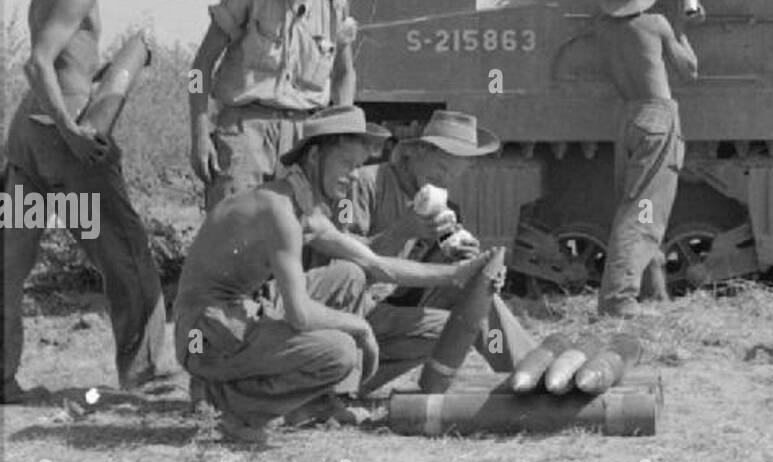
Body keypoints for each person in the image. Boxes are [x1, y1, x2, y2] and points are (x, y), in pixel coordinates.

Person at [175, 106, 521, 443]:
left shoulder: (302, 209)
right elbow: (300, 313)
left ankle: (317, 399)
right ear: (313, 158)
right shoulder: (279, 211)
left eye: (358, 165)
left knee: (349, 277)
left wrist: (457, 272)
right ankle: (235, 407)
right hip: (209, 331)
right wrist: (360, 328)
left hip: (243, 312)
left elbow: (375, 264)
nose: (354, 174)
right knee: (339, 350)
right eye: (346, 163)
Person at [3, 0, 168, 402]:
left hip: (26, 145)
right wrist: (75, 131)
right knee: (128, 257)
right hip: (67, 146)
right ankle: (144, 377)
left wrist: (112, 70)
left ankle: (4, 379)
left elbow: (63, 62)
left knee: (9, 264)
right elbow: (38, 63)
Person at [313, 110, 534, 394]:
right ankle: (346, 384)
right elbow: (345, 262)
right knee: (455, 330)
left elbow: (430, 274)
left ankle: (527, 373)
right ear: (416, 152)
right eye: (440, 169)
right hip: (352, 309)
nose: (443, 181)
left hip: (391, 307)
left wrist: (467, 262)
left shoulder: (438, 204)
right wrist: (403, 230)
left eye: (452, 176)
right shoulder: (363, 185)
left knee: (478, 293)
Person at [188, 0, 357, 209]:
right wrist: (199, 133)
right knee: (236, 232)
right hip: (245, 132)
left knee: (299, 239)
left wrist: (337, 134)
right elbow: (201, 67)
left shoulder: (335, 1)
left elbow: (344, 72)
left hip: (306, 138)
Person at [594, 0, 698, 317]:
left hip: (628, 117)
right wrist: (681, 31)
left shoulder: (602, 27)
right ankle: (618, 298)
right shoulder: (656, 24)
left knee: (641, 203)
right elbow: (690, 70)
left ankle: (656, 291)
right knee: (643, 211)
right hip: (657, 115)